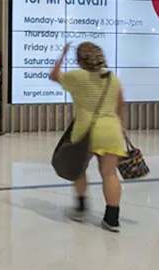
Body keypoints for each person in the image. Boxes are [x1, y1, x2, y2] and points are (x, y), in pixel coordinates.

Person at [48, 41, 127, 233]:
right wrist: (121, 128)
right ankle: (112, 218)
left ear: (80, 60)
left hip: (86, 131)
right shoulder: (112, 78)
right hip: (111, 130)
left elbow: (53, 75)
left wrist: (63, 54)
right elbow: (120, 104)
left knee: (79, 169)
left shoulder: (77, 77)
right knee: (109, 174)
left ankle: (81, 208)